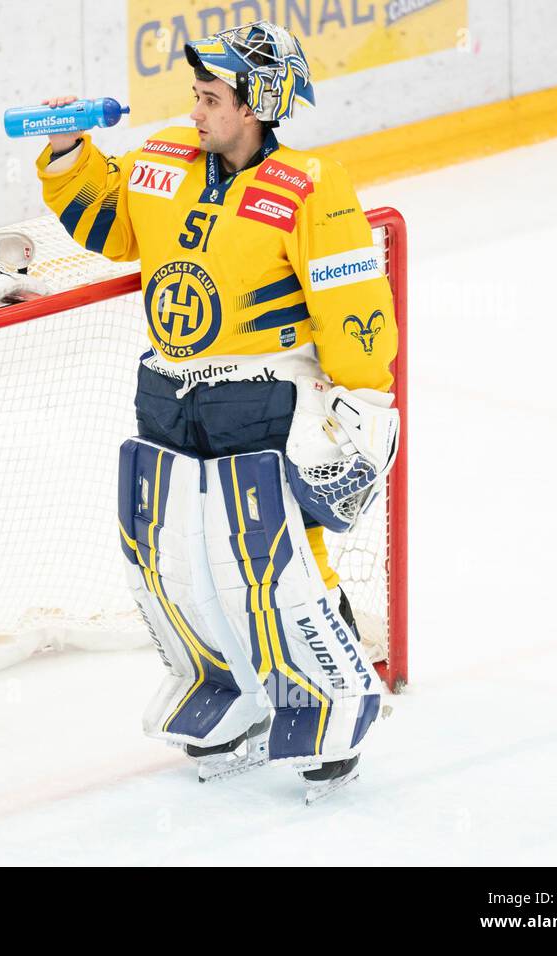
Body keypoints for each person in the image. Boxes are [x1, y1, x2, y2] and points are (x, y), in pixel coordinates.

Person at [36, 21, 400, 801]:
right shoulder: (165, 157)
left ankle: (328, 698)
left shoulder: (309, 186)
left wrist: (365, 397)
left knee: (275, 559)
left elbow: (353, 303)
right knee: (177, 558)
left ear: (257, 105)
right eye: (195, 96)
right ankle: (230, 691)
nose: (195, 111)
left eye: (211, 98)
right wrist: (70, 153)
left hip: (262, 391)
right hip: (168, 389)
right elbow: (111, 224)